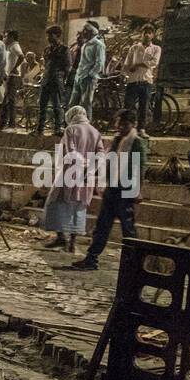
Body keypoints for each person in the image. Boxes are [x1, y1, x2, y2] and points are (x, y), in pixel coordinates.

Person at [71, 109, 144, 271]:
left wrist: (138, 189)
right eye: (119, 123)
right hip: (111, 189)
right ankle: (91, 259)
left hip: (126, 191)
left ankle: (134, 264)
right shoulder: (117, 140)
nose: (120, 127)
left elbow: (139, 167)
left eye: (124, 124)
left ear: (132, 124)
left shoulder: (136, 142)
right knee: (102, 227)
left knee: (129, 231)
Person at [42, 106, 100, 254]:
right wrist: (90, 167)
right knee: (78, 209)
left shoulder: (71, 130)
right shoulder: (95, 132)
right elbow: (101, 154)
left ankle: (61, 237)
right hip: (87, 176)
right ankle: (72, 243)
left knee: (56, 204)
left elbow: (70, 150)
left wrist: (79, 165)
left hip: (70, 174)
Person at [124, 24, 162, 134]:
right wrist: (128, 70)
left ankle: (141, 129)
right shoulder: (134, 48)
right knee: (129, 106)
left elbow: (154, 62)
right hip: (133, 80)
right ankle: (129, 128)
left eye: (149, 33)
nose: (146, 35)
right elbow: (127, 64)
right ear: (141, 34)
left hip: (146, 81)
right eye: (144, 32)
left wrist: (140, 63)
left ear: (153, 35)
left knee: (144, 107)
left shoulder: (156, 49)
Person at [35, 25, 71, 136]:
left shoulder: (64, 49)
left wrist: (62, 79)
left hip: (56, 80)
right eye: (48, 35)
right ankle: (39, 129)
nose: (49, 37)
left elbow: (67, 66)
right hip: (46, 80)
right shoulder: (47, 49)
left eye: (51, 35)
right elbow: (46, 64)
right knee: (42, 105)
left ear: (58, 35)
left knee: (56, 105)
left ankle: (57, 128)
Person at [69, 22, 105, 113]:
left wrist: (90, 74)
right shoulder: (85, 44)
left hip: (88, 78)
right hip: (79, 76)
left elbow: (99, 63)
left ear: (91, 32)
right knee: (73, 103)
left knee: (85, 104)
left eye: (86, 30)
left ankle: (86, 125)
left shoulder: (98, 45)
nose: (83, 32)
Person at [0, 30, 24, 129]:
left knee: (10, 100)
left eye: (6, 36)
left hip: (13, 77)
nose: (5, 38)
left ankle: (11, 123)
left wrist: (14, 68)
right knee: (7, 100)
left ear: (12, 37)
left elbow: (21, 56)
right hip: (10, 76)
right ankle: (5, 122)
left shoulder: (14, 46)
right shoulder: (10, 46)